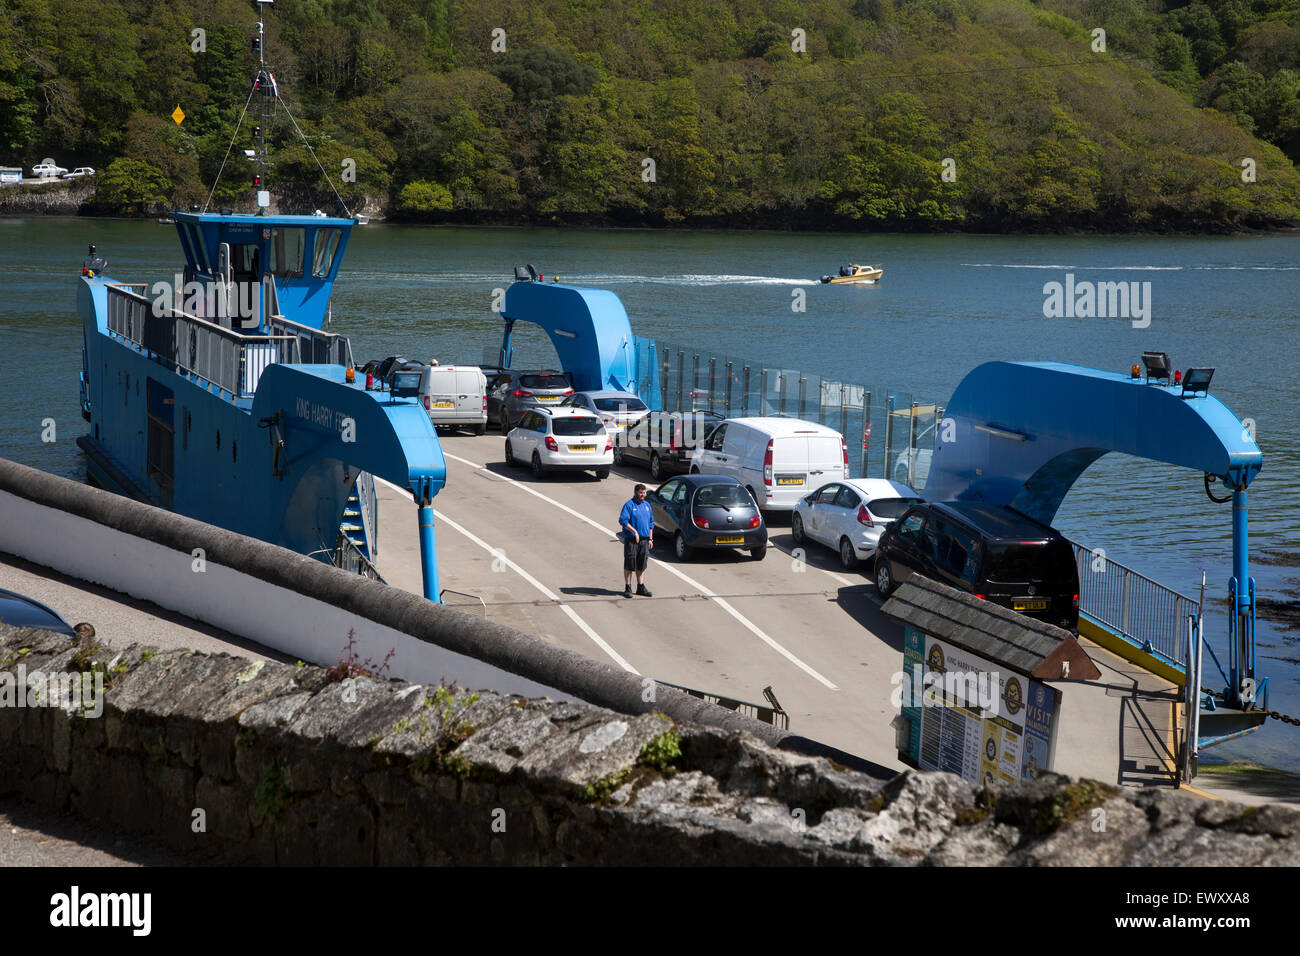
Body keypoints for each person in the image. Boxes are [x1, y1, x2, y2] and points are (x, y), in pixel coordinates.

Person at [618, 483, 654, 598]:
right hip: (632, 540)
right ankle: (628, 587)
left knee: (641, 564)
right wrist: (634, 531)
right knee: (630, 563)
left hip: (644, 540)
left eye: (644, 492)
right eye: (640, 492)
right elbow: (623, 521)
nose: (643, 494)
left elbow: (651, 524)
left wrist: (650, 539)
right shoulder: (629, 505)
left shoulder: (647, 505)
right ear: (635, 492)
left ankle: (640, 587)